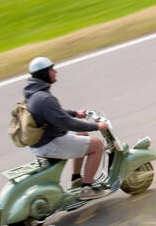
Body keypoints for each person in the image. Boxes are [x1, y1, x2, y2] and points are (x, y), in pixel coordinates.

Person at [23, 56, 109, 198]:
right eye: (52, 69)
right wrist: (96, 126)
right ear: (45, 73)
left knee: (81, 132)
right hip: (50, 143)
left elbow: (54, 113)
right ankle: (87, 188)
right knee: (98, 145)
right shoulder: (45, 98)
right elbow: (66, 123)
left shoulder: (33, 93)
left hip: (41, 141)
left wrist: (75, 113)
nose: (55, 72)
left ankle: (76, 179)